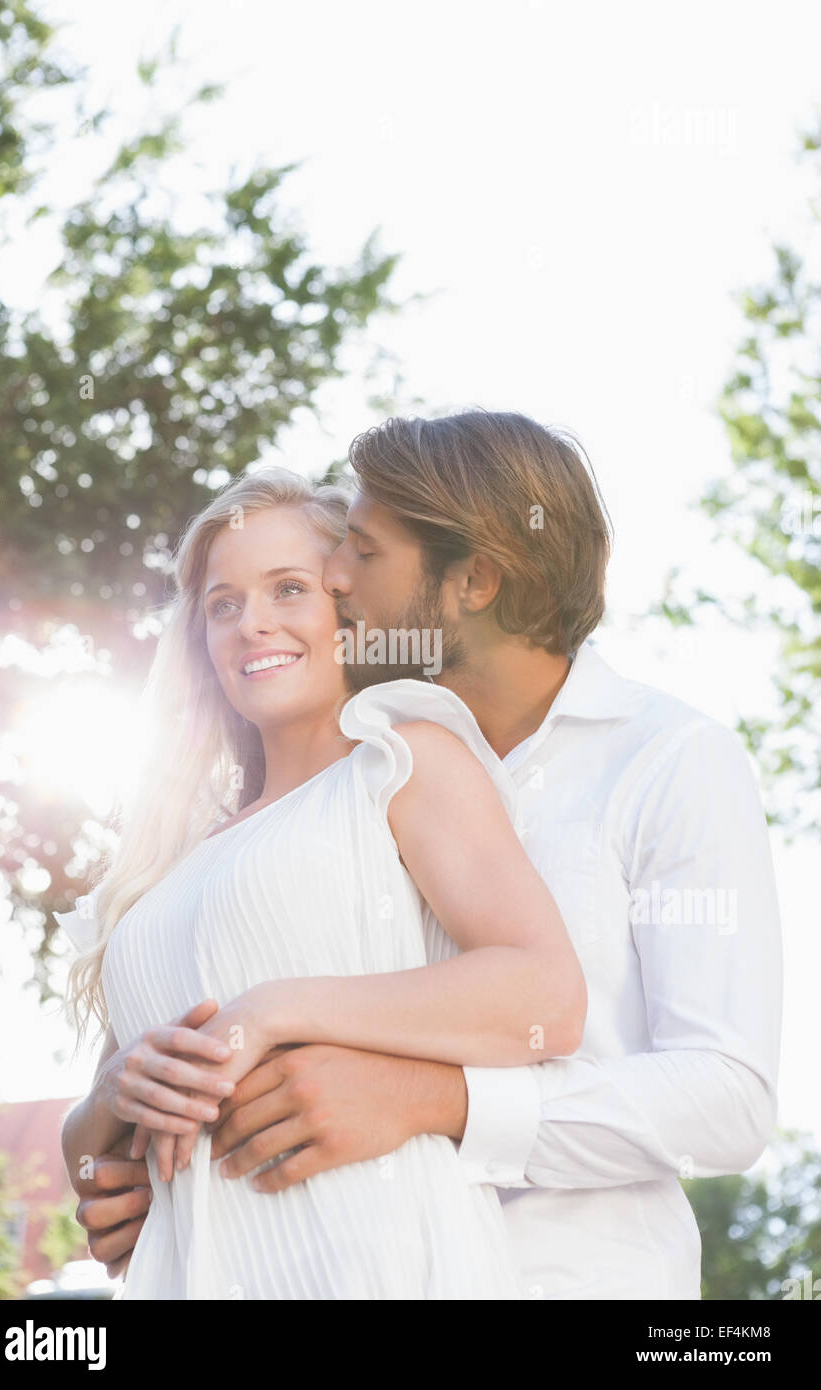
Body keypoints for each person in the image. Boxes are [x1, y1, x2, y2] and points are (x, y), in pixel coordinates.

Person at [71, 409, 783, 1301]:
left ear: (473, 580)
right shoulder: (336, 782)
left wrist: (433, 1100)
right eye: (227, 601)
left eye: (358, 557)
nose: (335, 576)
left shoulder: (664, 759)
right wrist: (115, 1147)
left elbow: (728, 1099)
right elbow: (144, 1086)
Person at [57, 466, 586, 1300]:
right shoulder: (165, 869)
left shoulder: (402, 761)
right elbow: (99, 1166)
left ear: (347, 608)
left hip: (374, 1264)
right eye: (223, 604)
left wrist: (277, 1009)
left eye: (288, 589)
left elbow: (545, 998)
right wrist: (106, 1095)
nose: (250, 623)